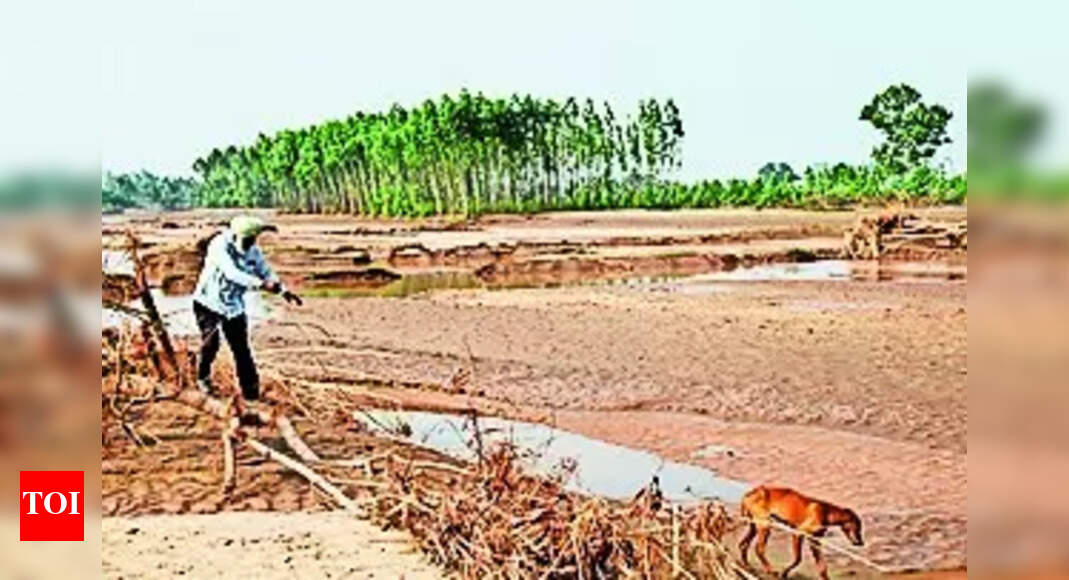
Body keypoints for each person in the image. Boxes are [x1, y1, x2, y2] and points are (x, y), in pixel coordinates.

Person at [192, 215, 301, 400]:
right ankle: (202, 378)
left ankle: (251, 392)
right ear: (237, 235)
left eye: (253, 239)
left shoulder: (253, 251)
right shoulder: (219, 246)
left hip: (233, 306)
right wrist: (261, 285)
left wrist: (283, 290)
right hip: (207, 302)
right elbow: (232, 273)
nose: (251, 242)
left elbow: (266, 271)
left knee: (241, 349)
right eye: (249, 239)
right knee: (211, 343)